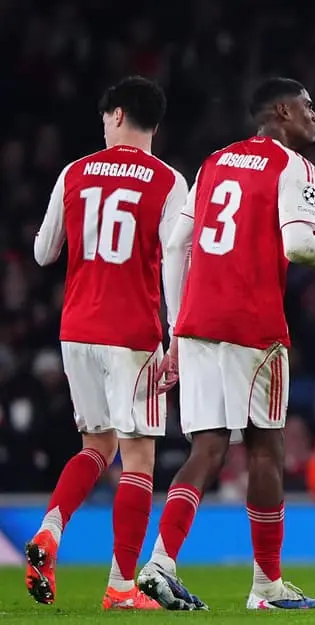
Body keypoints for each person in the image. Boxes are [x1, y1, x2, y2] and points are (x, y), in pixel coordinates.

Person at [135, 77, 315, 611]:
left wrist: (176, 326)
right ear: (280, 111)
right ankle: (267, 586)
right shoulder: (293, 166)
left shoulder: (214, 161)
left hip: (197, 323)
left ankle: (159, 561)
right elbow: (299, 245)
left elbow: (175, 244)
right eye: (307, 106)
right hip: (253, 327)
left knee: (207, 449)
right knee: (266, 448)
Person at [26, 76, 183, 611]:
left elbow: (43, 253)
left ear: (117, 115)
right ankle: (119, 587)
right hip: (132, 333)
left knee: (96, 446)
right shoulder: (168, 182)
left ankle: (50, 529)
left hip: (76, 330)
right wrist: (176, 334)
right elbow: (176, 259)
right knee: (138, 460)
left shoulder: (75, 172)